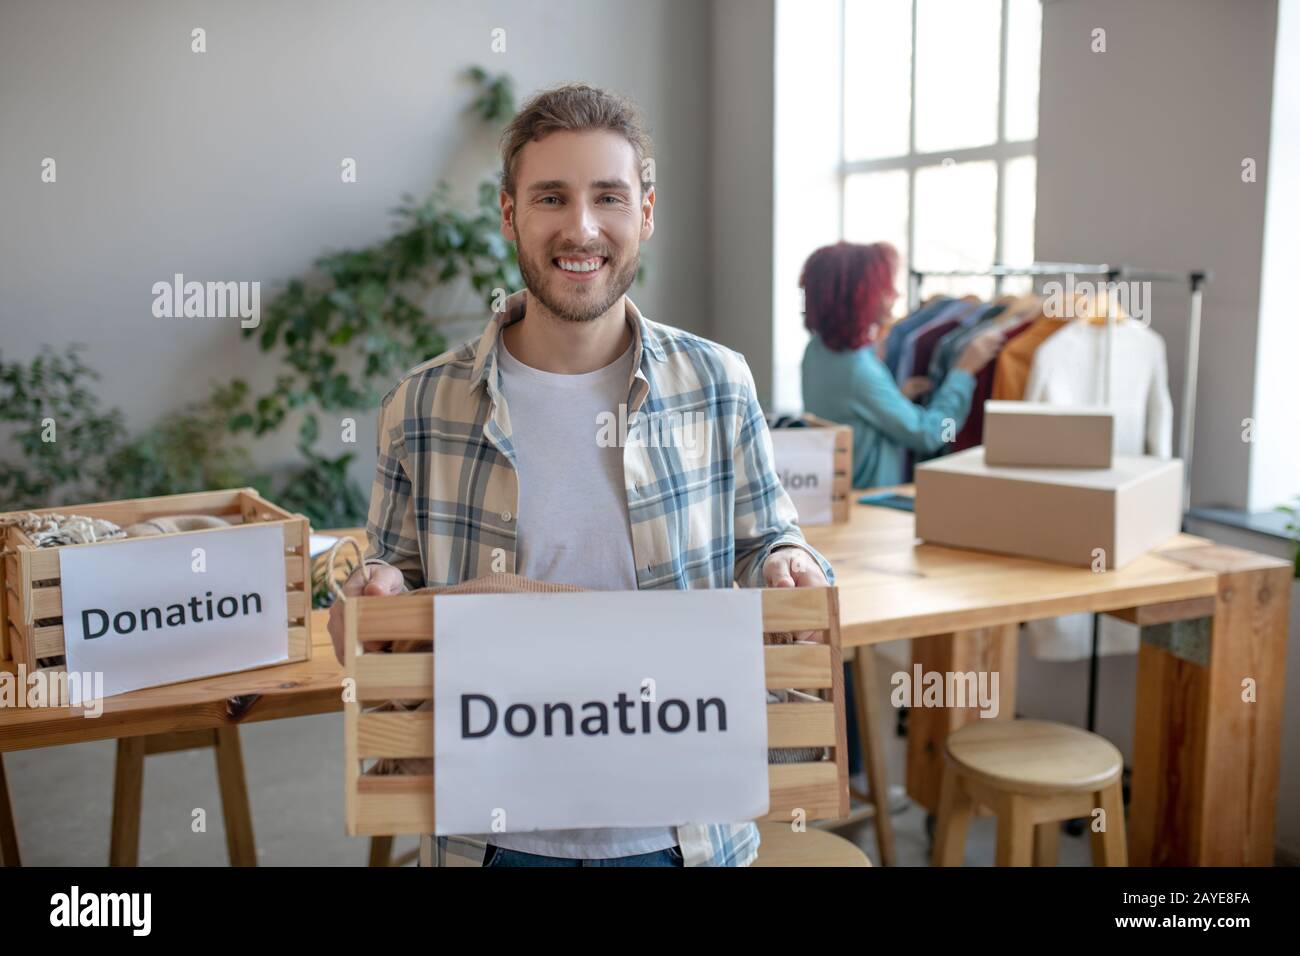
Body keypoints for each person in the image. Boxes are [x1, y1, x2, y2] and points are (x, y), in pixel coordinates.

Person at [326, 83, 834, 867]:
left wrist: (787, 564)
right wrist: (373, 595)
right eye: (552, 197)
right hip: (492, 836)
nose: (582, 228)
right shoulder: (419, 406)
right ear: (509, 215)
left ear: (647, 213)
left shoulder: (718, 383)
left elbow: (769, 540)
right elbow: (395, 577)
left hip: (682, 830)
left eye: (608, 197)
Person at [799, 241, 1003, 488]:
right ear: (858, 298)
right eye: (884, 289)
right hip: (868, 509)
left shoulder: (817, 350)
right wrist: (963, 373)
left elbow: (854, 412)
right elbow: (934, 434)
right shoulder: (857, 370)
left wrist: (896, 398)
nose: (894, 295)